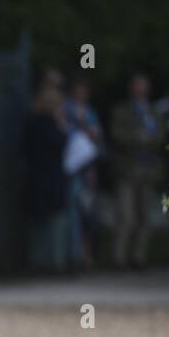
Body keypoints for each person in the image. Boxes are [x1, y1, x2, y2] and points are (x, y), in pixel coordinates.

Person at [109, 73, 163, 269]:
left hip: (148, 170)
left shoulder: (153, 111)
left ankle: (139, 258)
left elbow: (161, 135)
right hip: (127, 170)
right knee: (126, 216)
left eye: (143, 86)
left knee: (144, 217)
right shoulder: (122, 111)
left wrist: (149, 139)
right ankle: (119, 258)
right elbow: (116, 135)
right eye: (137, 86)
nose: (140, 90)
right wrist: (137, 138)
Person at [22, 74, 69, 272]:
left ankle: (37, 261)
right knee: (55, 222)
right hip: (52, 179)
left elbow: (22, 150)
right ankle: (54, 262)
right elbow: (61, 144)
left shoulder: (30, 123)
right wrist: (62, 126)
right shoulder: (51, 125)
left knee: (38, 223)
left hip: (34, 178)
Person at [63, 79, 103, 268]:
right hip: (72, 169)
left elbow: (97, 139)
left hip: (87, 169)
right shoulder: (66, 110)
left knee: (88, 215)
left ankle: (86, 255)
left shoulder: (90, 112)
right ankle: (74, 255)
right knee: (74, 215)